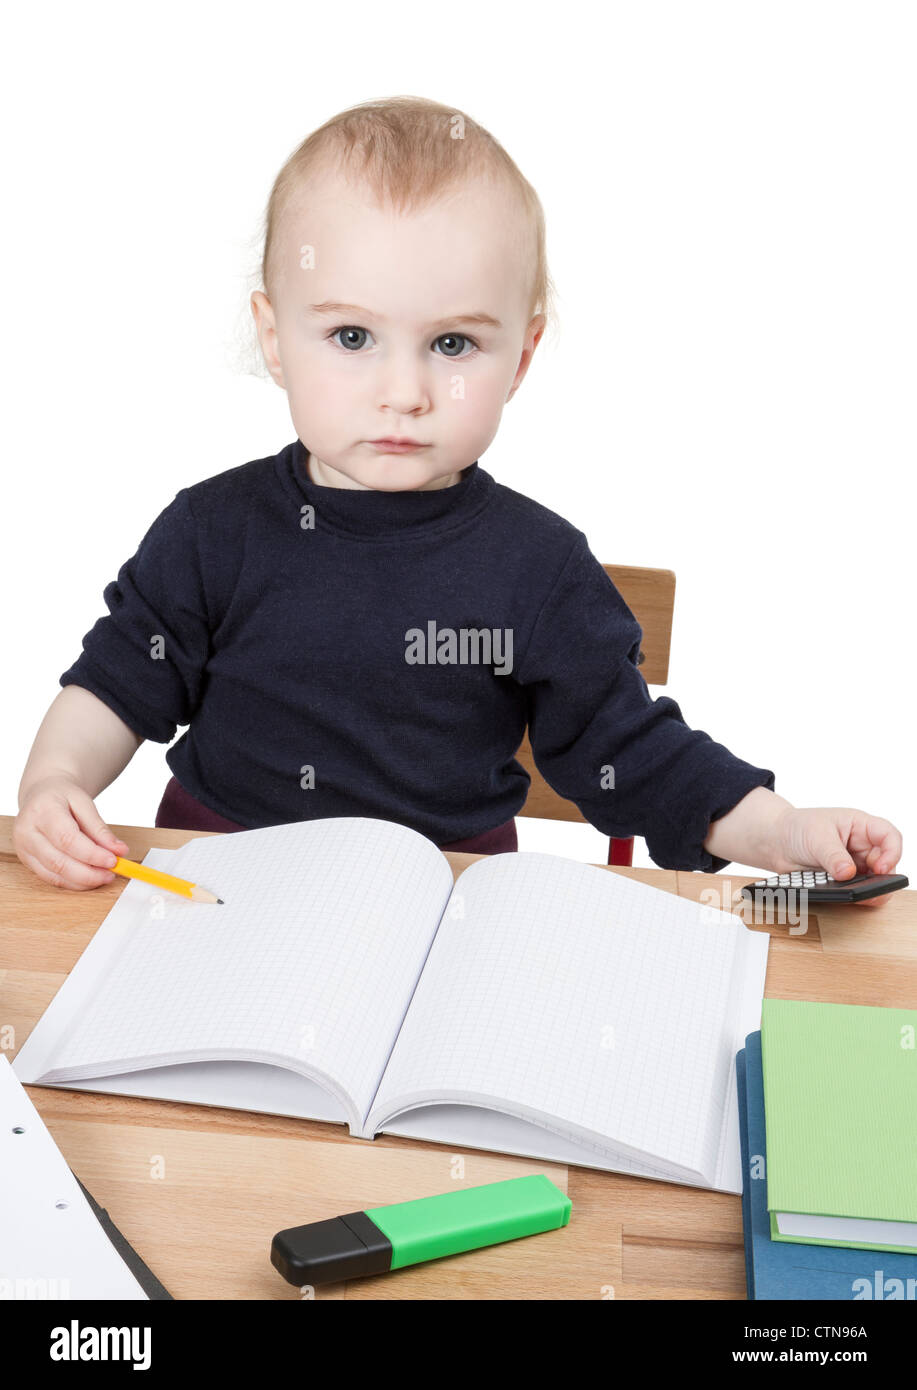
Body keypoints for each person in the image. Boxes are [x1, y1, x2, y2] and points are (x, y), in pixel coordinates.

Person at [14, 96, 902, 900]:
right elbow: (116, 686)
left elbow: (630, 755)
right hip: (211, 888)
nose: (403, 390)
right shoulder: (210, 532)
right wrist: (55, 782)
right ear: (275, 339)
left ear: (519, 359)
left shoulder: (538, 567)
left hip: (443, 910)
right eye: (351, 335)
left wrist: (780, 830)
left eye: (452, 344)